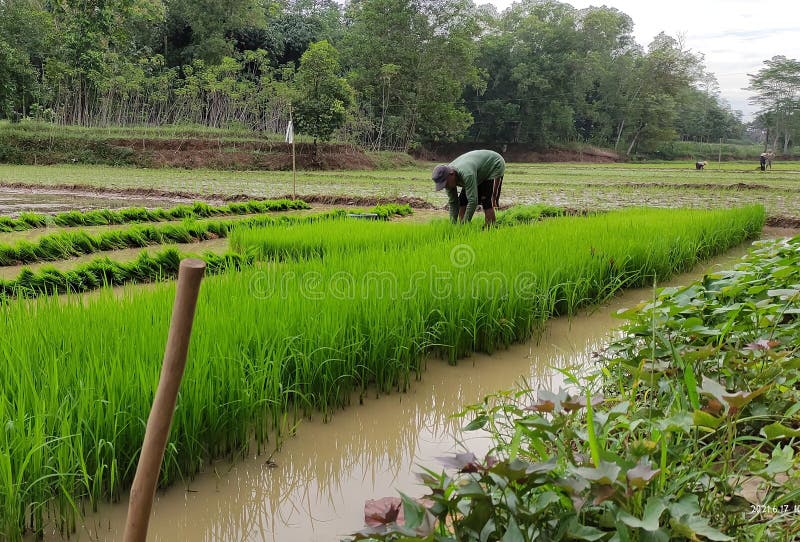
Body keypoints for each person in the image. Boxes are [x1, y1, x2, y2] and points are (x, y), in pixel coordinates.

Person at [431, 149, 505, 226]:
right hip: (476, 169)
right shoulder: (449, 177)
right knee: (462, 201)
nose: (445, 187)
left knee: (486, 201)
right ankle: (462, 226)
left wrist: (465, 225)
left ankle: (490, 227)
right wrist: (452, 225)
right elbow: (453, 202)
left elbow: (473, 201)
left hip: (493, 164)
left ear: (451, 174)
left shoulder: (467, 174)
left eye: (445, 183)